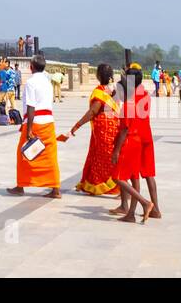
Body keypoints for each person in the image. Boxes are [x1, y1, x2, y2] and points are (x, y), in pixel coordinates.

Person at [59, 63, 119, 196]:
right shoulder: (114, 90)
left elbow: (93, 112)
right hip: (114, 128)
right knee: (104, 157)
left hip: (104, 131)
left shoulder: (99, 92)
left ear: (98, 76)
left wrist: (76, 126)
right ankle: (99, 184)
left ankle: (105, 185)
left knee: (102, 158)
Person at [110, 66, 160, 222]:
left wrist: (116, 150)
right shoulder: (144, 95)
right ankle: (150, 209)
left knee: (123, 176)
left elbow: (125, 128)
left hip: (132, 139)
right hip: (146, 137)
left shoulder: (129, 102)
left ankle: (143, 204)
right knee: (144, 174)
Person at [7, 55, 61, 198]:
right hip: (48, 122)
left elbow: (31, 106)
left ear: (31, 67)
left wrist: (29, 129)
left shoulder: (31, 82)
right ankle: (55, 188)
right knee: (50, 156)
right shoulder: (47, 82)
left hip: (35, 122)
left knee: (23, 154)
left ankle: (21, 186)